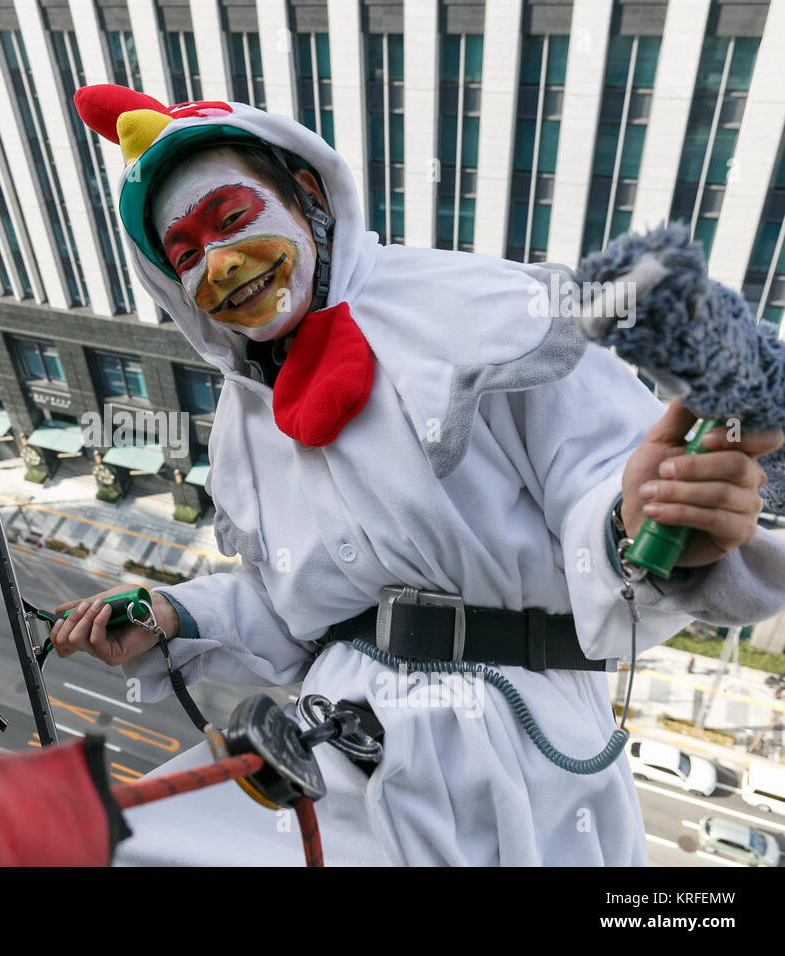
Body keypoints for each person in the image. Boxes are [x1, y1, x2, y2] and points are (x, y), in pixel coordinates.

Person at [54, 85, 785, 865]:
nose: (221, 265)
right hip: (331, 744)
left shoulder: (489, 308)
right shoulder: (239, 425)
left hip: (516, 750)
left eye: (232, 220)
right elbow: (296, 611)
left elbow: (604, 483)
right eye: (187, 255)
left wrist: (633, 523)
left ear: (307, 195)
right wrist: (175, 612)